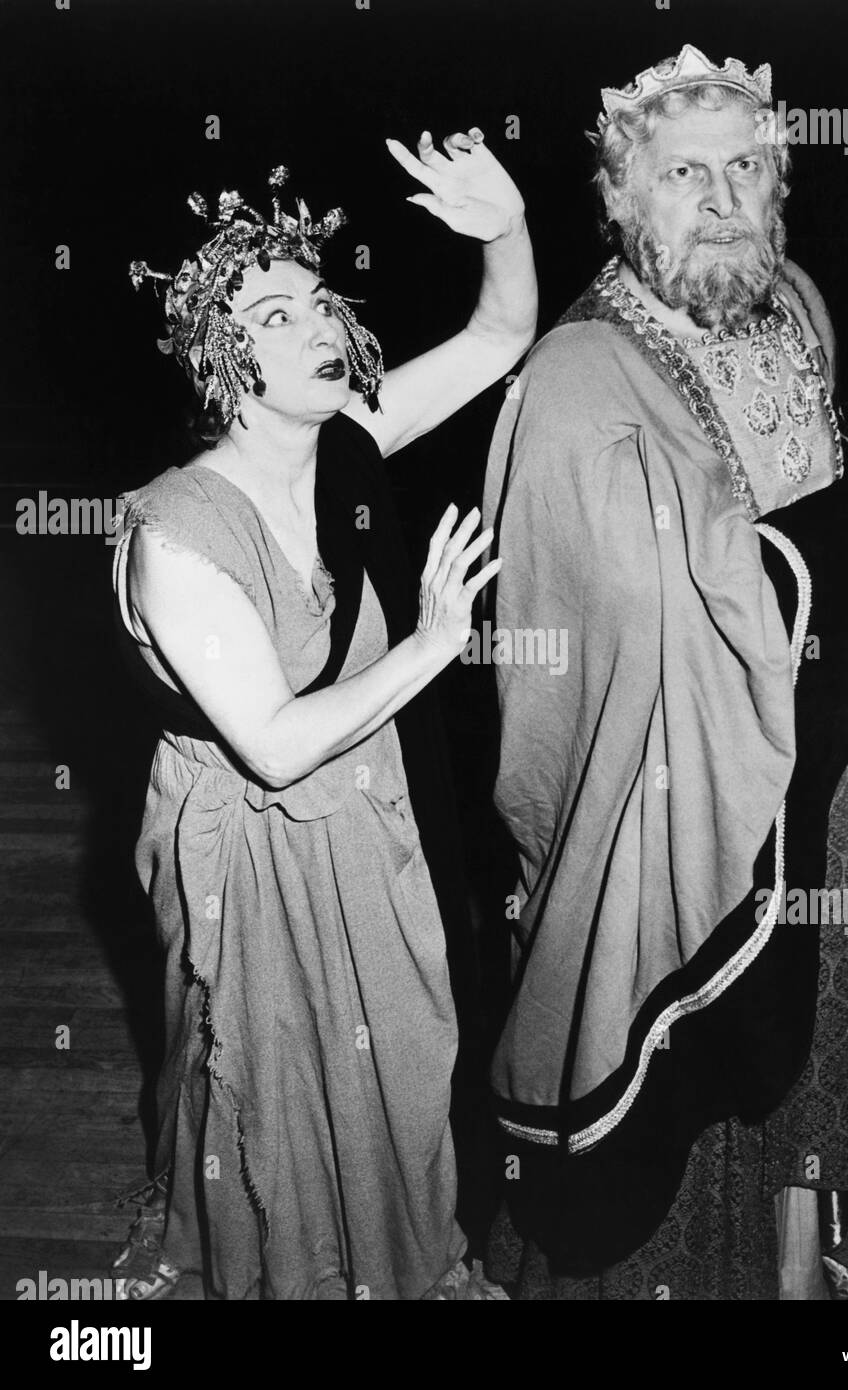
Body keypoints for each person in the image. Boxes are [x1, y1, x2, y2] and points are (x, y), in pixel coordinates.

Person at [481, 44, 848, 1300]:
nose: (719, 200)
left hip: (799, 759)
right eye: (680, 175)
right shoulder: (572, 385)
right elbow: (629, 618)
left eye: (743, 170)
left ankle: (809, 1257)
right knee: (717, 1052)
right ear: (617, 196)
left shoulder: (789, 307)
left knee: (821, 1024)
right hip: (664, 813)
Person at [111, 133, 536, 1300]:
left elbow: (500, 339)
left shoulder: (345, 441)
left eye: (315, 304)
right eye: (272, 320)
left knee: (401, 1049)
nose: (314, 330)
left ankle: (407, 1255)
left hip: (371, 800)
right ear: (220, 362)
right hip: (249, 828)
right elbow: (276, 743)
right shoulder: (176, 534)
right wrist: (432, 647)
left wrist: (503, 228)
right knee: (276, 1074)